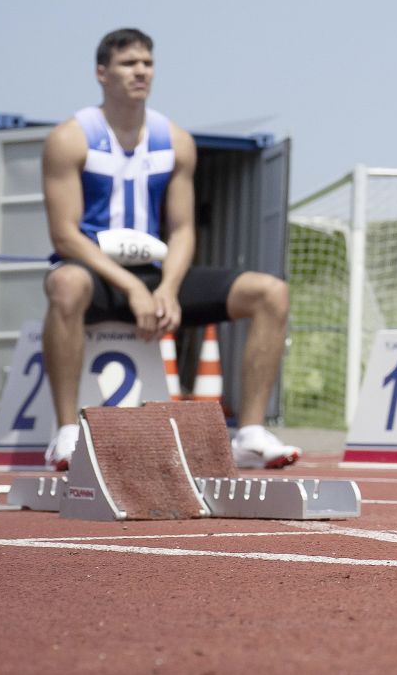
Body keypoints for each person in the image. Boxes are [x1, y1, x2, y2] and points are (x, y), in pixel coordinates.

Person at [38, 28, 299, 471]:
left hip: (155, 273)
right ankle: (66, 434)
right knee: (64, 283)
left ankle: (251, 434)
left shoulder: (175, 140)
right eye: (128, 63)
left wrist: (167, 289)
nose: (140, 71)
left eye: (147, 63)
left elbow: (182, 231)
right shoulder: (70, 138)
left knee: (270, 292)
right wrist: (131, 289)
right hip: (96, 274)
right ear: (102, 73)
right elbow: (64, 236)